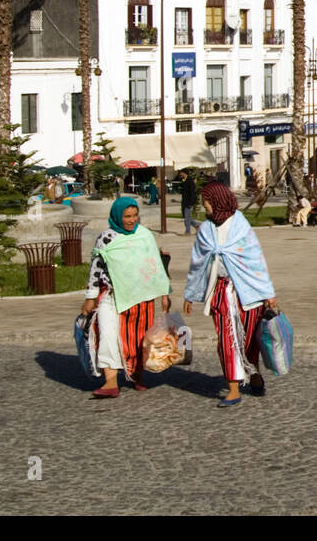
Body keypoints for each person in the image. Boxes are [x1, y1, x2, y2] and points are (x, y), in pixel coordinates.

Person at [183, 182, 279, 407]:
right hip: (221, 293)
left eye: (206, 200)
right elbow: (198, 263)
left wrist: (268, 293)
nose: (203, 204)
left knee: (249, 340)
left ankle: (253, 373)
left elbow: (256, 261)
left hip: (248, 293)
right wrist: (190, 294)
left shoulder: (240, 226)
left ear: (217, 200)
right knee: (227, 340)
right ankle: (233, 388)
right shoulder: (206, 230)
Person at [80, 198, 172, 398]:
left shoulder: (144, 235)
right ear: (117, 216)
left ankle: (136, 376)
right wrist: (90, 296)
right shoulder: (106, 238)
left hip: (140, 297)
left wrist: (165, 294)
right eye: (127, 216)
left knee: (136, 338)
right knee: (107, 334)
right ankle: (110, 382)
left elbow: (155, 265)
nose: (131, 220)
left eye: (134, 215)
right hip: (110, 296)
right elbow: (96, 268)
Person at [179, 170, 198, 235]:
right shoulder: (183, 181)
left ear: (184, 173)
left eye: (181, 173)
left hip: (189, 202)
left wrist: (191, 203)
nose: (180, 174)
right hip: (185, 201)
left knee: (187, 217)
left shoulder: (190, 181)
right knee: (188, 217)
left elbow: (192, 193)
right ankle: (197, 226)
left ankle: (187, 231)